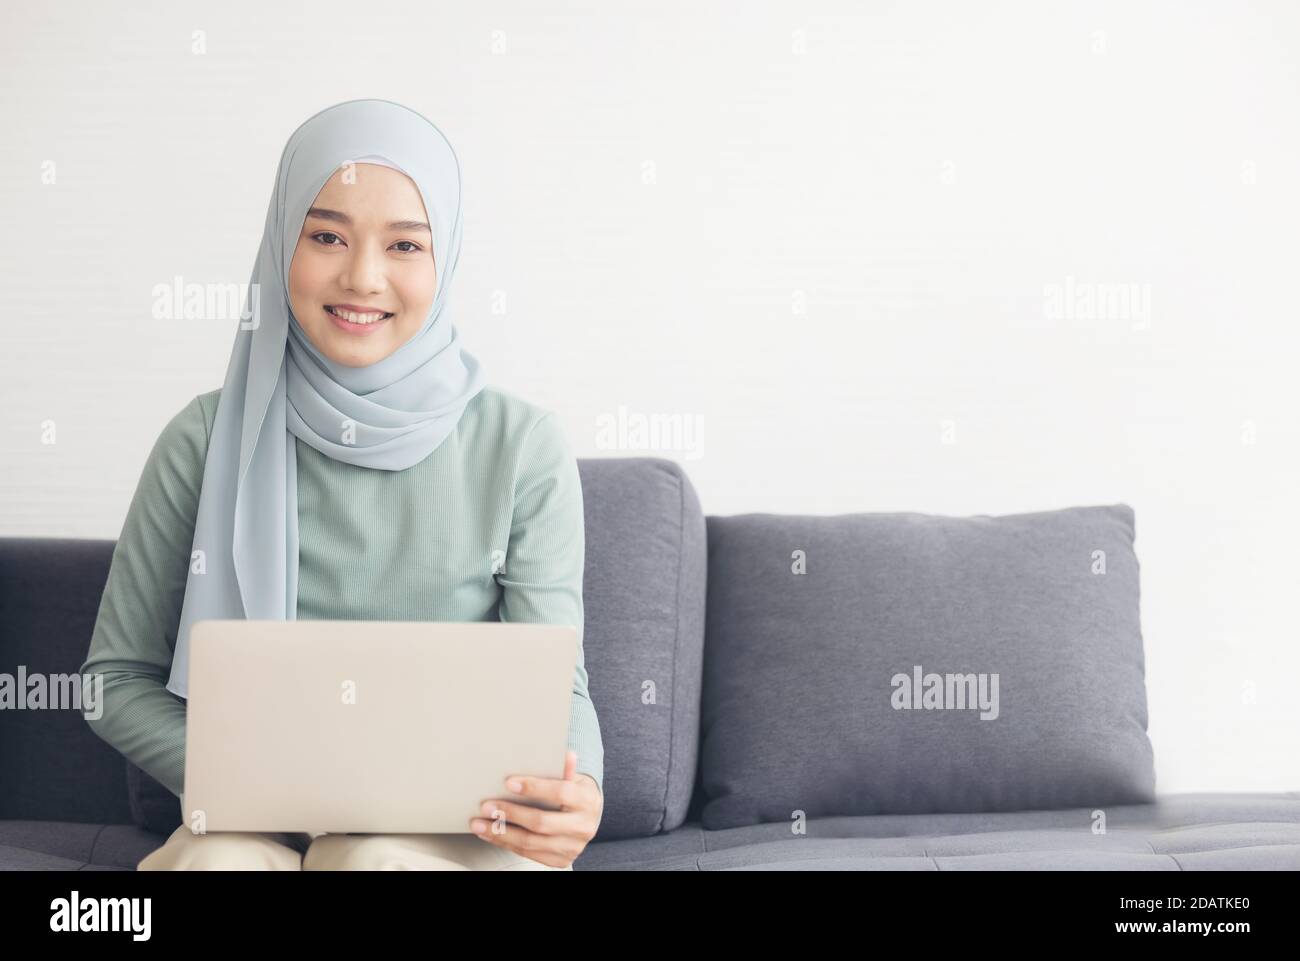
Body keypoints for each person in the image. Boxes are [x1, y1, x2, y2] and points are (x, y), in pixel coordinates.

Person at [79, 98, 603, 870]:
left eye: (404, 245)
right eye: (326, 235)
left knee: (378, 861)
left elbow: (559, 680)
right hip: (247, 816)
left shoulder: (521, 445)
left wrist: (577, 786)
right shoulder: (201, 438)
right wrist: (267, 782)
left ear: (445, 258)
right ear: (280, 240)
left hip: (450, 823)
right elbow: (113, 681)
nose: (362, 277)